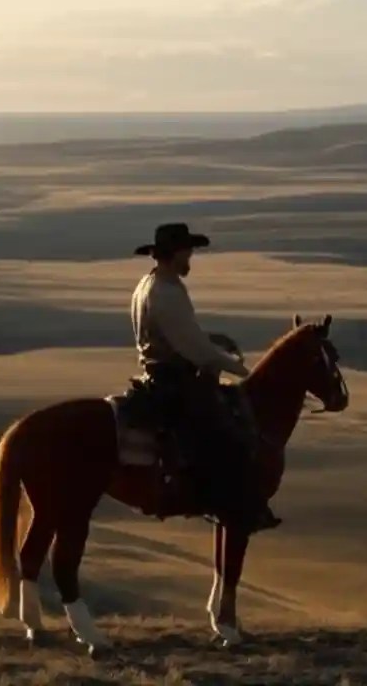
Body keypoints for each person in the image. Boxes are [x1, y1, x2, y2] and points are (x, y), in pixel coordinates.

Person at [130, 222, 281, 533]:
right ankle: (231, 505)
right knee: (229, 435)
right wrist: (240, 369)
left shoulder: (149, 284)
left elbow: (184, 334)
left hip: (159, 372)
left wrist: (215, 341)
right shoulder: (166, 293)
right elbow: (193, 348)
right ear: (175, 253)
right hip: (174, 378)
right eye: (188, 251)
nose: (190, 257)